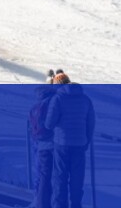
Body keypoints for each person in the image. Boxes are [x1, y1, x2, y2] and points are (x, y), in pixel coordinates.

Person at [44, 72, 95, 208]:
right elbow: (91, 124)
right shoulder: (86, 99)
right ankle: (76, 205)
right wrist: (86, 141)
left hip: (61, 144)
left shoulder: (58, 99)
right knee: (77, 179)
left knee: (60, 178)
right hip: (80, 145)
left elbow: (49, 124)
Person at [29, 86, 55, 208]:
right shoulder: (51, 105)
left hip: (38, 143)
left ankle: (37, 200)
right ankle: (45, 203)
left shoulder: (35, 107)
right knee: (52, 175)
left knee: (40, 173)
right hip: (51, 143)